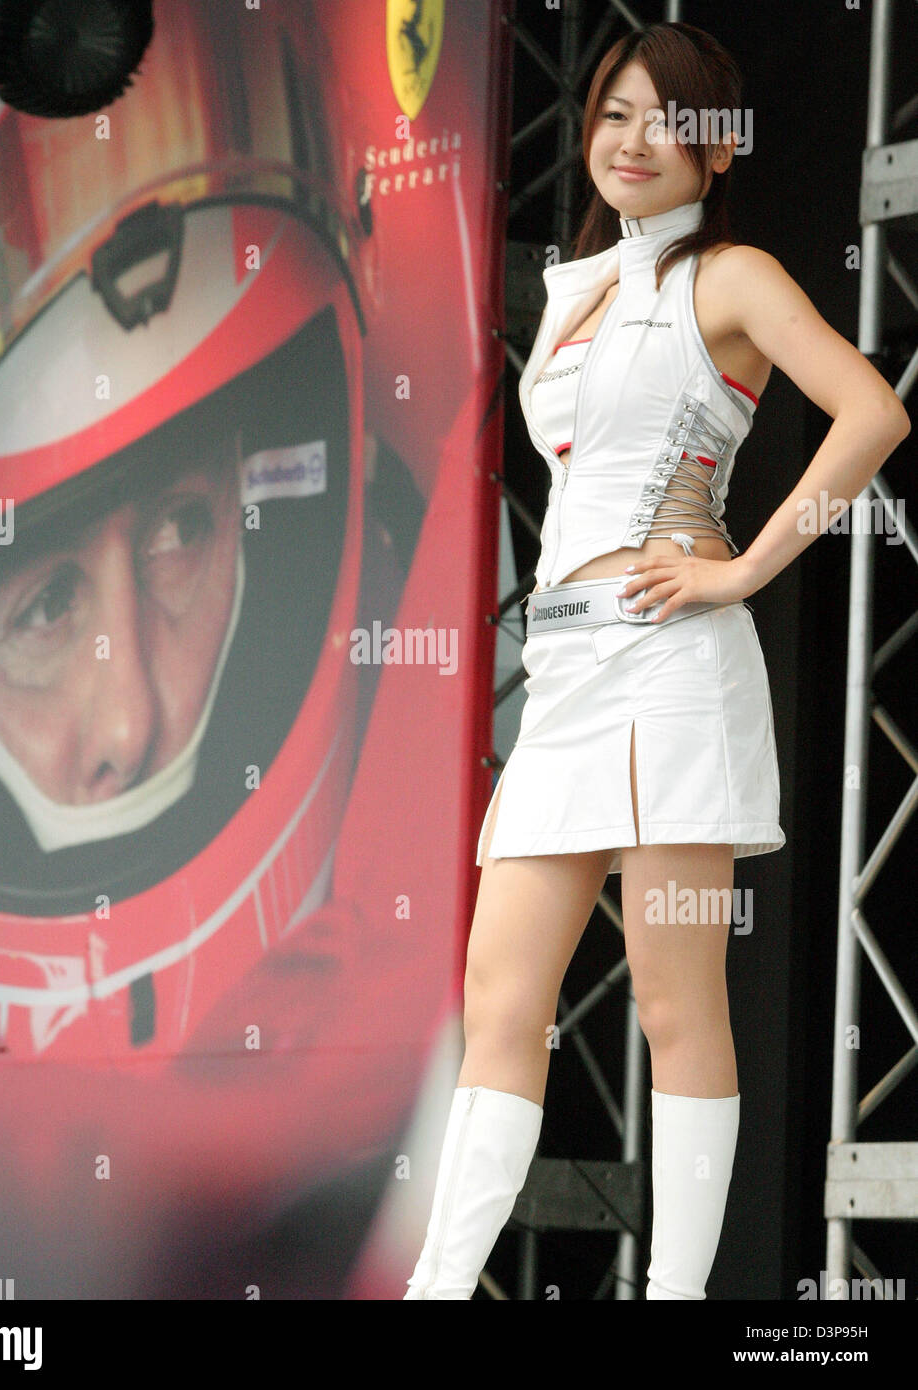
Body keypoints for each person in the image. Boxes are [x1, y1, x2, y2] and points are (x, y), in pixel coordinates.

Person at [404, 20, 910, 1300]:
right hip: (566, 678)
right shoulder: (578, 288)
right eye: (613, 113)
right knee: (497, 998)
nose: (633, 140)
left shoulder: (728, 276)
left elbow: (872, 409)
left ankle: (675, 1300)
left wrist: (741, 568)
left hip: (672, 667)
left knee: (674, 998)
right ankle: (433, 1289)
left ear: (715, 148)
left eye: (665, 120)